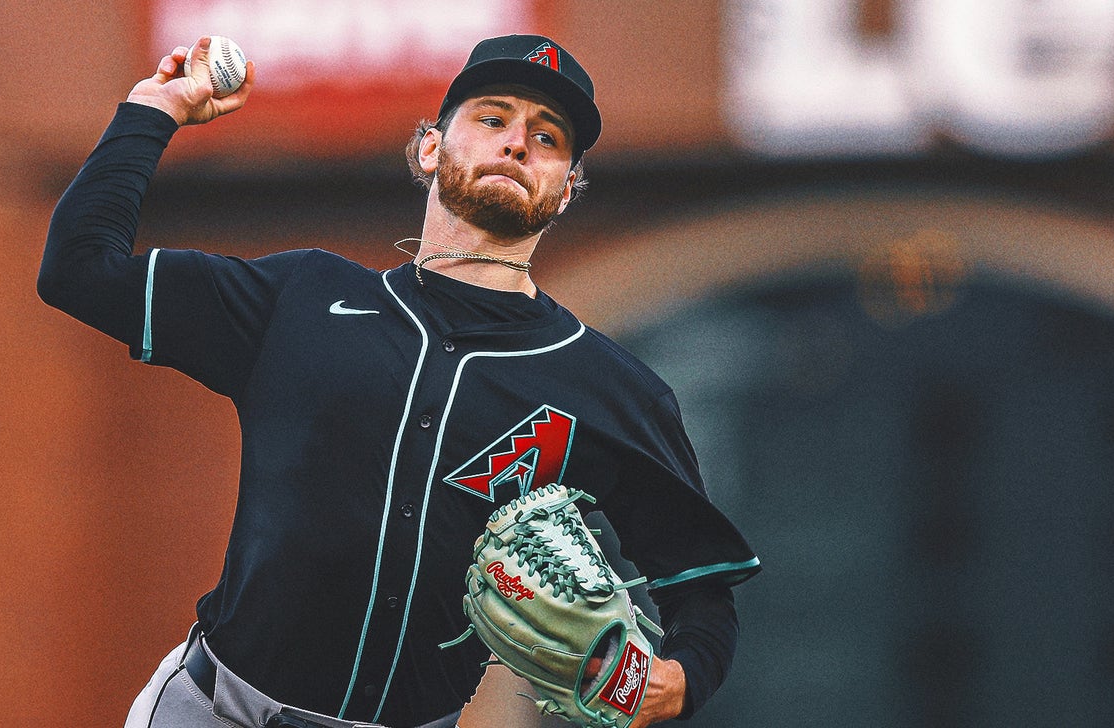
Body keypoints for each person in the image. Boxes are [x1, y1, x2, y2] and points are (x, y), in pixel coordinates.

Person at [39, 32, 760, 728]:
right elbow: (79, 271)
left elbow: (703, 583)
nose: (517, 142)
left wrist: (676, 681)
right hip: (213, 711)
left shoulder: (607, 388)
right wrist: (150, 111)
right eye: (492, 118)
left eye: (548, 137)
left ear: (567, 188)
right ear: (429, 147)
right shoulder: (299, 298)